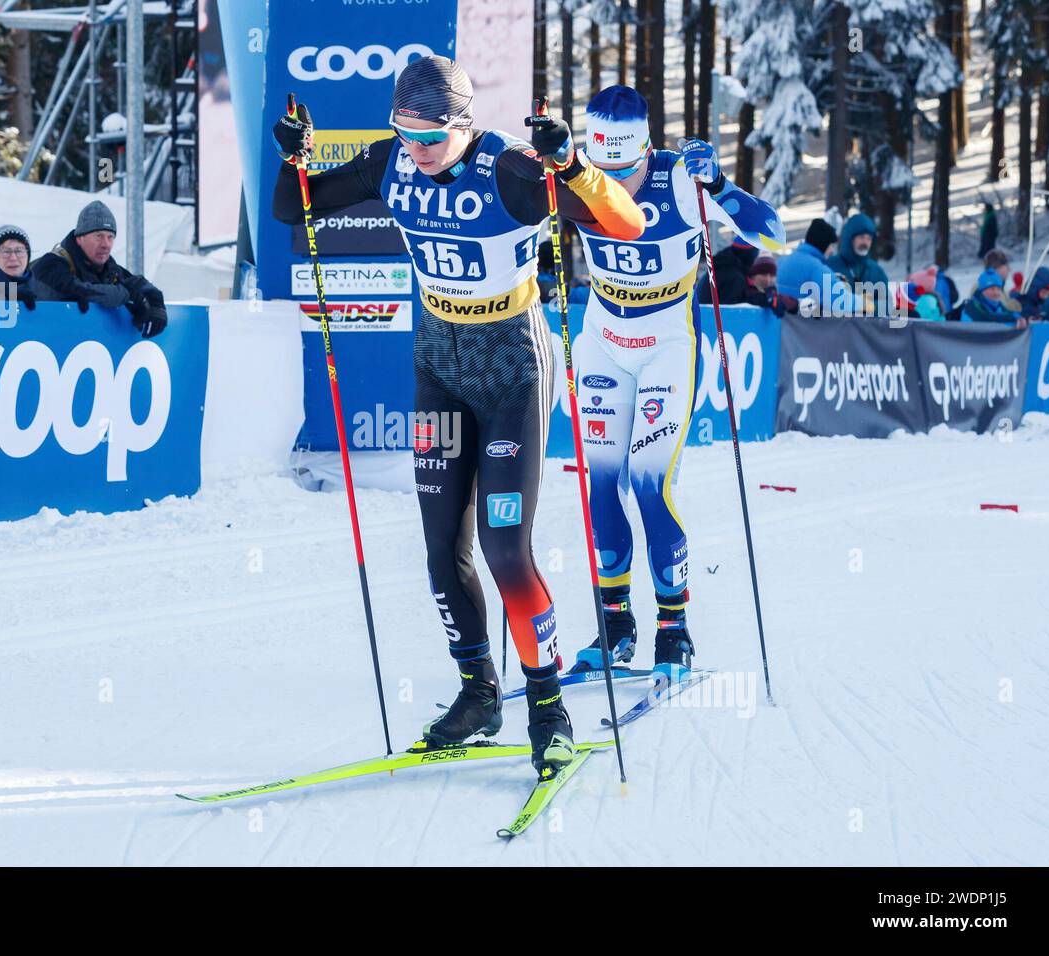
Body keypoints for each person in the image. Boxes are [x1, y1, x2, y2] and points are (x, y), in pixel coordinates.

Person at [271, 56, 645, 777]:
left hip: (512, 368)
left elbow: (623, 225)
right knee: (442, 550)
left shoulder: (508, 169)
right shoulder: (390, 163)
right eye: (403, 129)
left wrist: (569, 166)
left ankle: (548, 707)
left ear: (462, 123)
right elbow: (298, 207)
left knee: (506, 549)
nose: (415, 146)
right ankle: (478, 694)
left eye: (430, 134)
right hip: (439, 366)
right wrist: (294, 158)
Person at [564, 84, 784, 683]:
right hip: (603, 344)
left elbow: (772, 234)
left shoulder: (680, 182)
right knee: (602, 485)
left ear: (647, 151)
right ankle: (614, 628)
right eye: (603, 170)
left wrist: (718, 185)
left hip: (666, 349)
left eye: (626, 170)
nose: (614, 187)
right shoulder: (577, 177)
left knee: (648, 484)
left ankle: (673, 628)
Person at [33, 201, 169, 337]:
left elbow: (135, 283)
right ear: (79, 238)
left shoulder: (109, 269)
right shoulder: (50, 264)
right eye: (98, 236)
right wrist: (126, 295)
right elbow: (77, 291)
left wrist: (155, 300)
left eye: (110, 237)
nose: (106, 245)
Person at [776, 219, 858, 317]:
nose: (832, 251)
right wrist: (865, 303)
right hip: (806, 329)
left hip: (780, 328)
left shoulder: (781, 261)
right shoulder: (817, 269)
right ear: (822, 244)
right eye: (830, 245)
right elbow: (840, 302)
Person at [828, 213, 891, 314]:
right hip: (835, 328)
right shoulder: (831, 265)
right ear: (850, 239)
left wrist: (868, 306)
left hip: (865, 329)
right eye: (861, 237)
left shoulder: (876, 271)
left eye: (869, 239)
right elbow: (820, 300)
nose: (865, 243)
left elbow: (887, 305)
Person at [982, 248, 1023, 314]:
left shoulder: (1000, 287)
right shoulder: (985, 288)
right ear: (997, 267)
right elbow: (999, 313)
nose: (1009, 269)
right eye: (1006, 266)